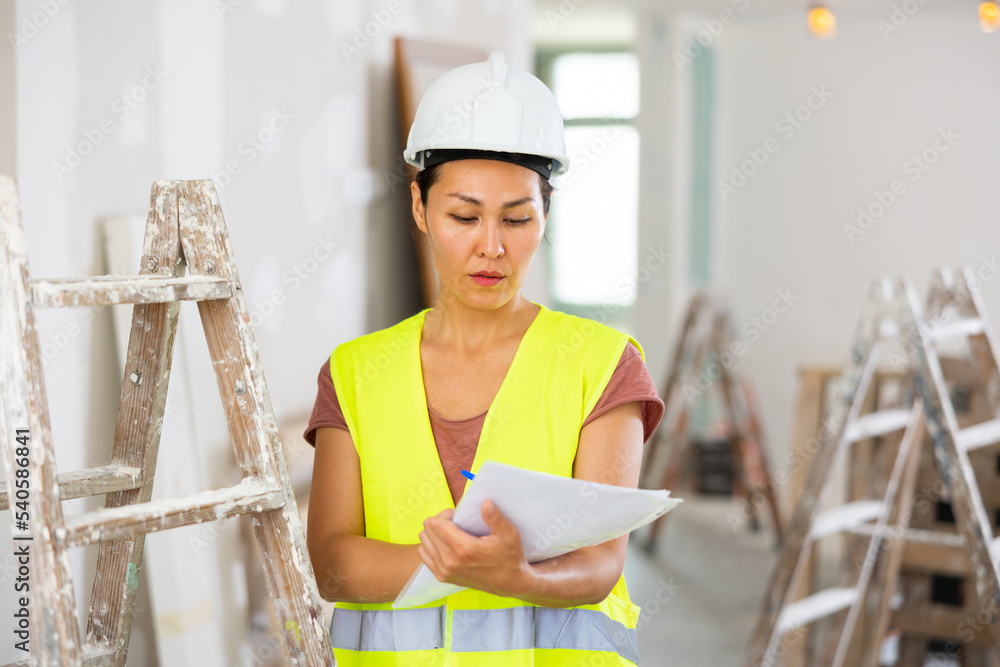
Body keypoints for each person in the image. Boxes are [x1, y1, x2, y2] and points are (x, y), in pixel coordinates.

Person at [304, 51, 665, 666]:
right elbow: (334, 567)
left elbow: (600, 566)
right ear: (420, 207)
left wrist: (515, 576)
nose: (491, 247)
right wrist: (466, 563)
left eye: (517, 218)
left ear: (545, 215)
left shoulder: (602, 364)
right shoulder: (355, 372)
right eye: (464, 216)